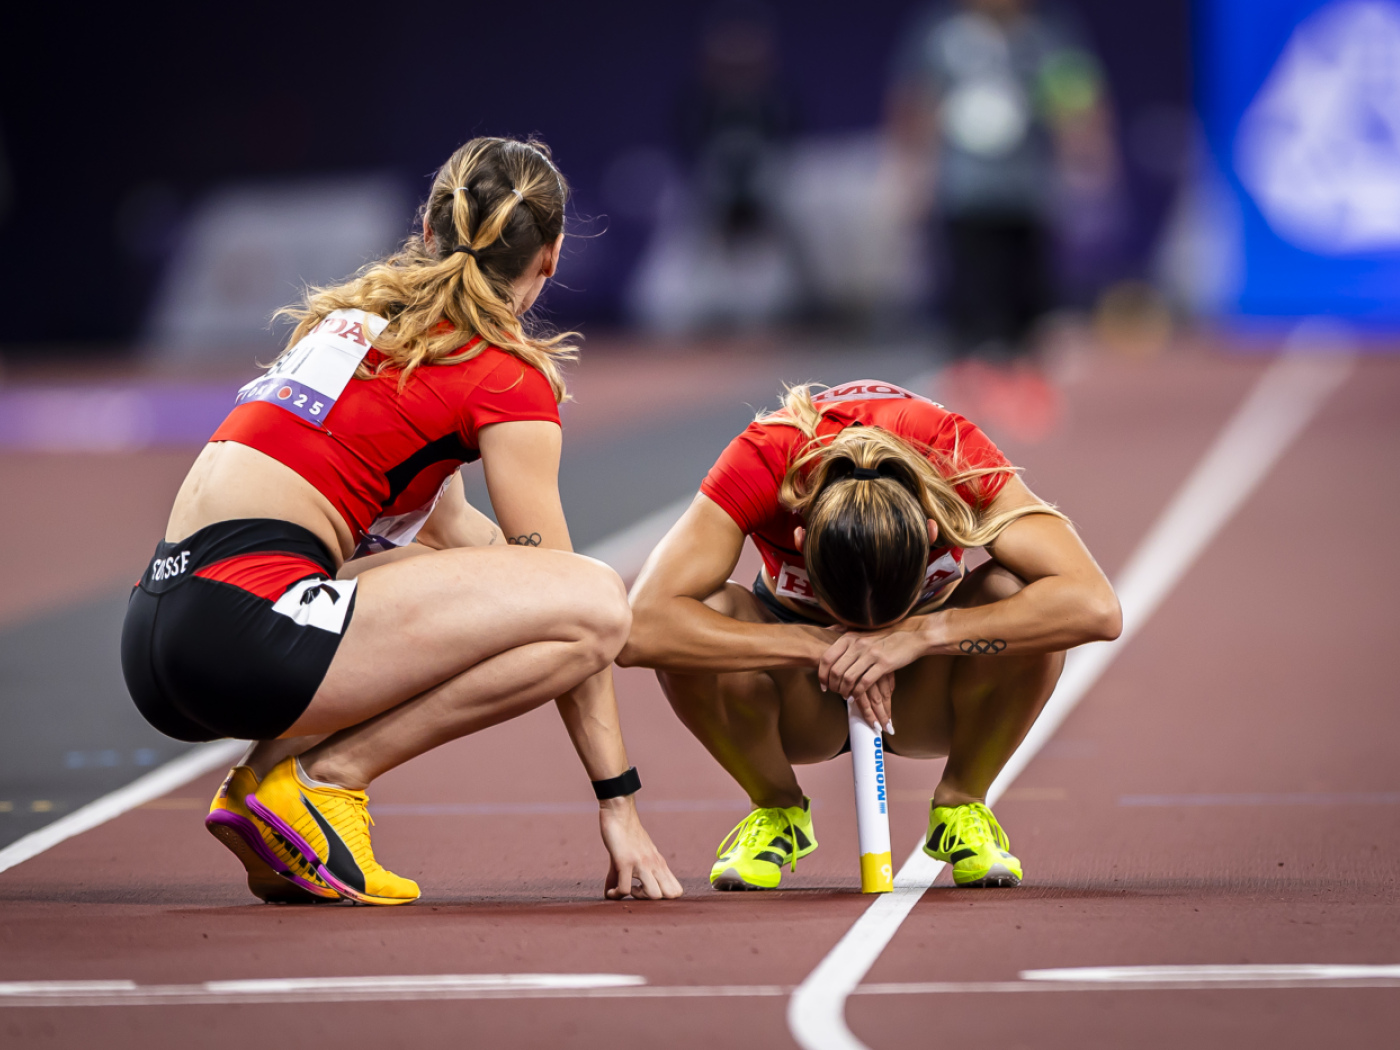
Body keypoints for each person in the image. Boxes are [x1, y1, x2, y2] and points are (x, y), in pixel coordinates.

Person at [121, 137, 682, 906]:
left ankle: (260, 789)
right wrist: (618, 801)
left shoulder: (351, 323)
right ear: (550, 258)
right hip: (245, 630)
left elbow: (461, 541)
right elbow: (568, 602)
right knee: (594, 605)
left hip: (158, 633)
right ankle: (325, 782)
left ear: (427, 229)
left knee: (439, 577)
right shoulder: (503, 373)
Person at [621, 379, 1119, 890]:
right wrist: (812, 645)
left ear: (930, 531)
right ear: (800, 535)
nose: (868, 631)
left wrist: (923, 634)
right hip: (802, 693)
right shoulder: (764, 458)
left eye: (881, 619)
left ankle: (961, 804)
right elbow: (642, 626)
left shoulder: (954, 454)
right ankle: (776, 807)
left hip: (925, 689)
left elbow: (1094, 606)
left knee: (1020, 597)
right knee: (700, 612)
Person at [887, 0, 1117, 357]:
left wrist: (1088, 158)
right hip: (965, 193)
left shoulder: (1046, 37)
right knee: (976, 307)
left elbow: (1075, 103)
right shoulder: (942, 37)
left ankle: (1022, 384)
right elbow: (916, 104)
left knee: (1027, 313)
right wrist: (910, 174)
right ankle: (976, 381)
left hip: (1027, 191)